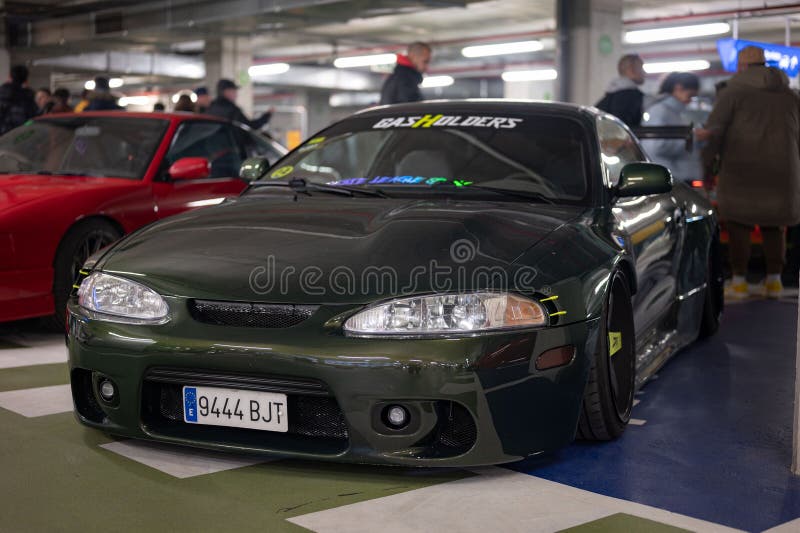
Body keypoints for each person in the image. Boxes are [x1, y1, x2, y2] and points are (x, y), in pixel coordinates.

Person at [701, 46, 800, 299]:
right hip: (783, 170)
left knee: (738, 223)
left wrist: (707, 164)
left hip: (740, 169)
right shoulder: (789, 95)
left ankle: (739, 281)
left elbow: (714, 133)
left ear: (741, 66)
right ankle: (774, 281)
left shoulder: (732, 93)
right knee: (775, 225)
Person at [640, 72, 701, 183]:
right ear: (678, 88)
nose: (690, 100)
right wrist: (694, 137)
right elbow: (656, 146)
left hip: (677, 178)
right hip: (669, 179)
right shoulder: (660, 112)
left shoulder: (676, 112)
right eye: (690, 95)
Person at [595, 54, 646, 127]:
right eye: (641, 68)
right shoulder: (632, 96)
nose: (644, 73)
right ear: (630, 70)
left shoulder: (608, 97)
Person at [206, 78, 271, 129]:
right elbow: (249, 126)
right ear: (226, 92)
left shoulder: (210, 107)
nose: (236, 95)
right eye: (233, 91)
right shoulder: (232, 110)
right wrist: (267, 115)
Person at [0, 65, 38, 134]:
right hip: (21, 136)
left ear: (10, 77)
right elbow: (33, 119)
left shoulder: (2, 93)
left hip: (3, 136)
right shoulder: (28, 96)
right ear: (26, 79)